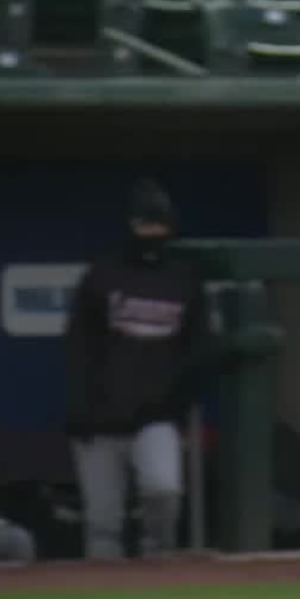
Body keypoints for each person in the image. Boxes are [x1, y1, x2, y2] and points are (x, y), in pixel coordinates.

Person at [64, 179, 213, 560]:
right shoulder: (102, 275)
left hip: (155, 415)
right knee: (103, 522)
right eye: (146, 224)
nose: (153, 233)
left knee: (163, 489)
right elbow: (78, 345)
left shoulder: (184, 279)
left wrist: (175, 403)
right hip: (99, 417)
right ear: (131, 225)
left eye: (159, 225)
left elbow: (197, 350)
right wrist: (81, 404)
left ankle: (156, 564)